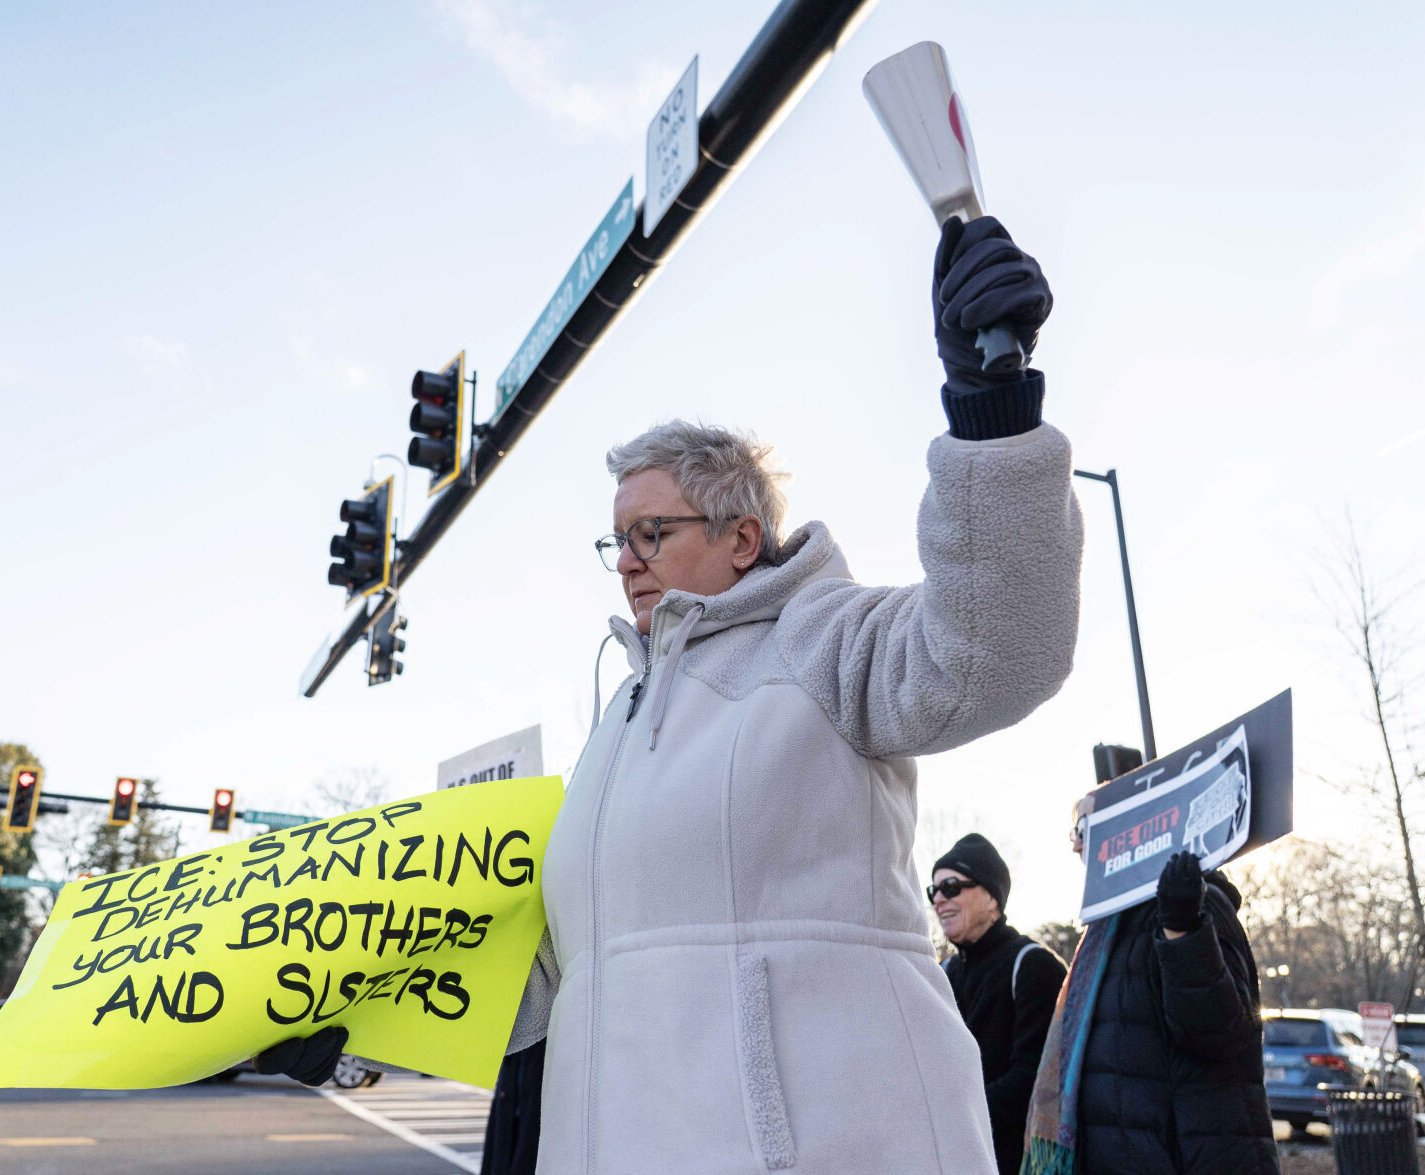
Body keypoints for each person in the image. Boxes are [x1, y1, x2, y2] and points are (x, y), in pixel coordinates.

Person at [259, 214, 1082, 1173]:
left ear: (741, 537)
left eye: (652, 533)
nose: (627, 562)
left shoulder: (821, 637)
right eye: (618, 541)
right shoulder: (613, 731)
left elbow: (991, 651)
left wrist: (991, 415)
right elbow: (547, 977)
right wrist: (350, 1016)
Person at [1021, 798, 1277, 1175]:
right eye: (1073, 833)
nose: (1075, 844)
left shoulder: (1199, 905)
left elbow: (1220, 1035)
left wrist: (1183, 930)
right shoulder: (1107, 928)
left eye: (1084, 829)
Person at [931, 833, 1067, 1175]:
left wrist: (951, 1112)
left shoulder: (1033, 965)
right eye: (933, 891)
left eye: (951, 887)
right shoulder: (943, 973)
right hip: (955, 1158)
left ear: (992, 897)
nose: (938, 900)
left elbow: (1035, 1080)